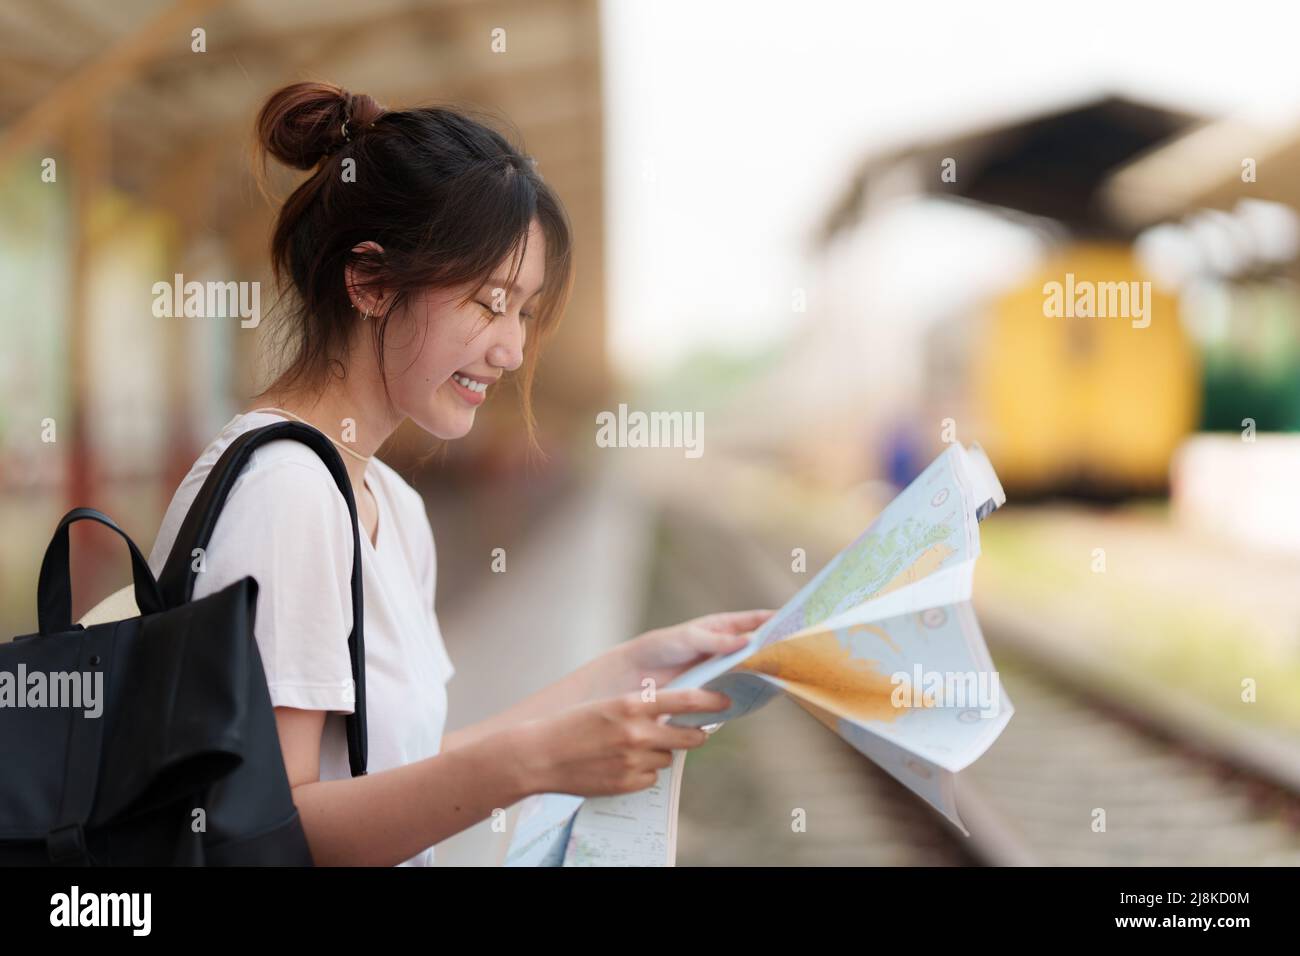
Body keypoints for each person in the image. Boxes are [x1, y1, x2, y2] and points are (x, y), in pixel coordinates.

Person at [146, 81, 772, 866]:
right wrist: (529, 767)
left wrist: (630, 669)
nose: (511, 349)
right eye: (487, 302)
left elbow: (398, 766)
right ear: (370, 281)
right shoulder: (287, 496)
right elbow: (267, 832)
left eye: (523, 310)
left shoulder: (390, 505)